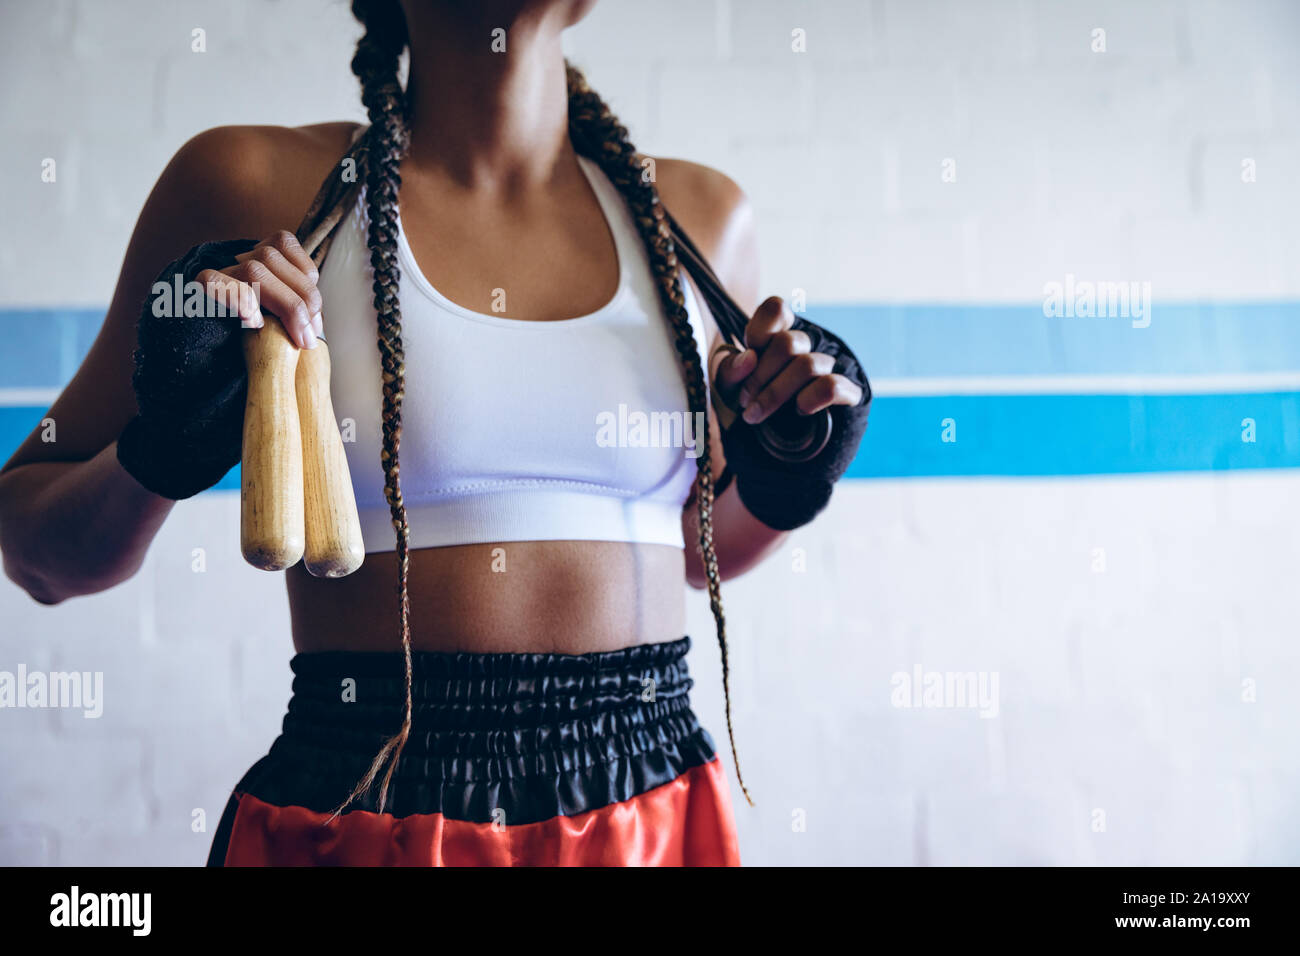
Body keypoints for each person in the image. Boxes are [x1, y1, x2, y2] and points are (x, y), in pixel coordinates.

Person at [0, 0, 868, 866]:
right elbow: (35, 555)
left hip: (652, 805)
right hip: (374, 806)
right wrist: (162, 453)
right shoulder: (252, 183)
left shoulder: (699, 215)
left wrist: (787, 478)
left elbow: (695, 548)